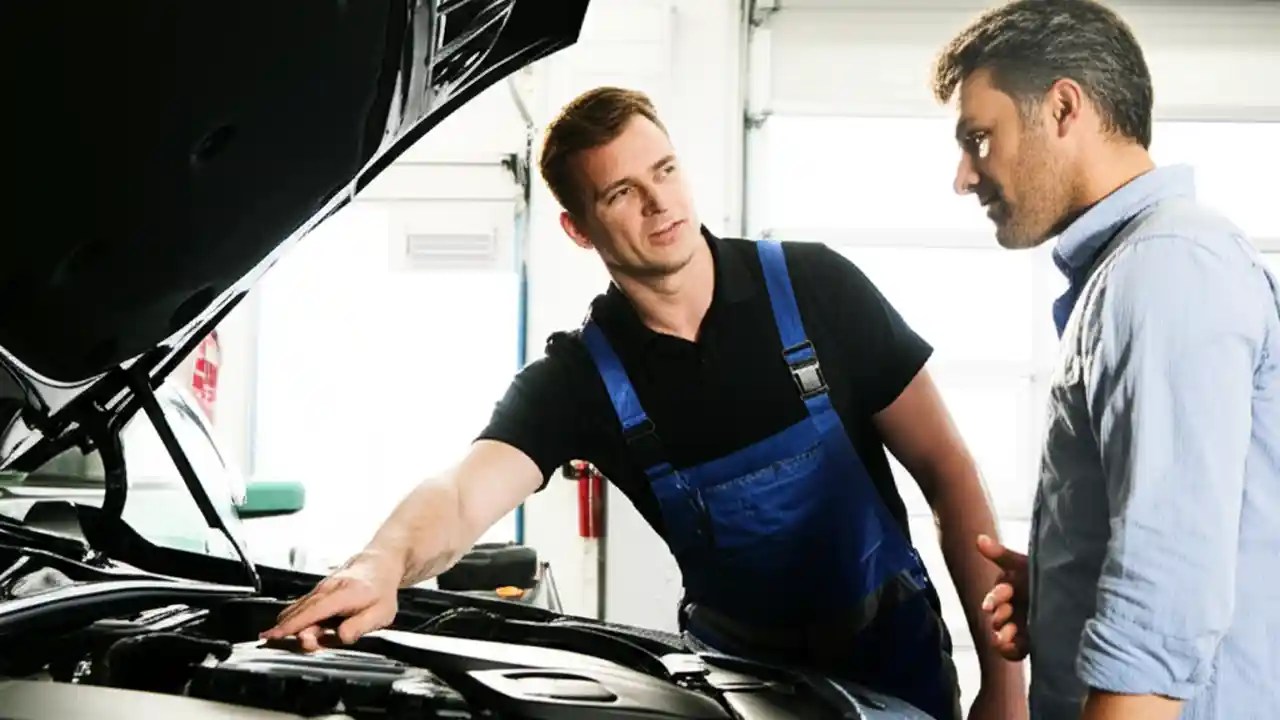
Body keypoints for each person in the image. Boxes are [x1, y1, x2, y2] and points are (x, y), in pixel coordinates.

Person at [261, 86, 1027, 720]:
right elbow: (462, 493)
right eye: (622, 192)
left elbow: (947, 470)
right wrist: (380, 563)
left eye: (665, 170)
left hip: (898, 670)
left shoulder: (817, 286)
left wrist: (1004, 684)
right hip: (745, 694)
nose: (660, 203)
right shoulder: (581, 378)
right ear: (578, 228)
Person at [931, 1, 1280, 719]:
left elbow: (1163, 598)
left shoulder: (1165, 268)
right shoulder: (1146, 265)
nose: (964, 177)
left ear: (1064, 108)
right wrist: (1064, 585)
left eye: (979, 138)